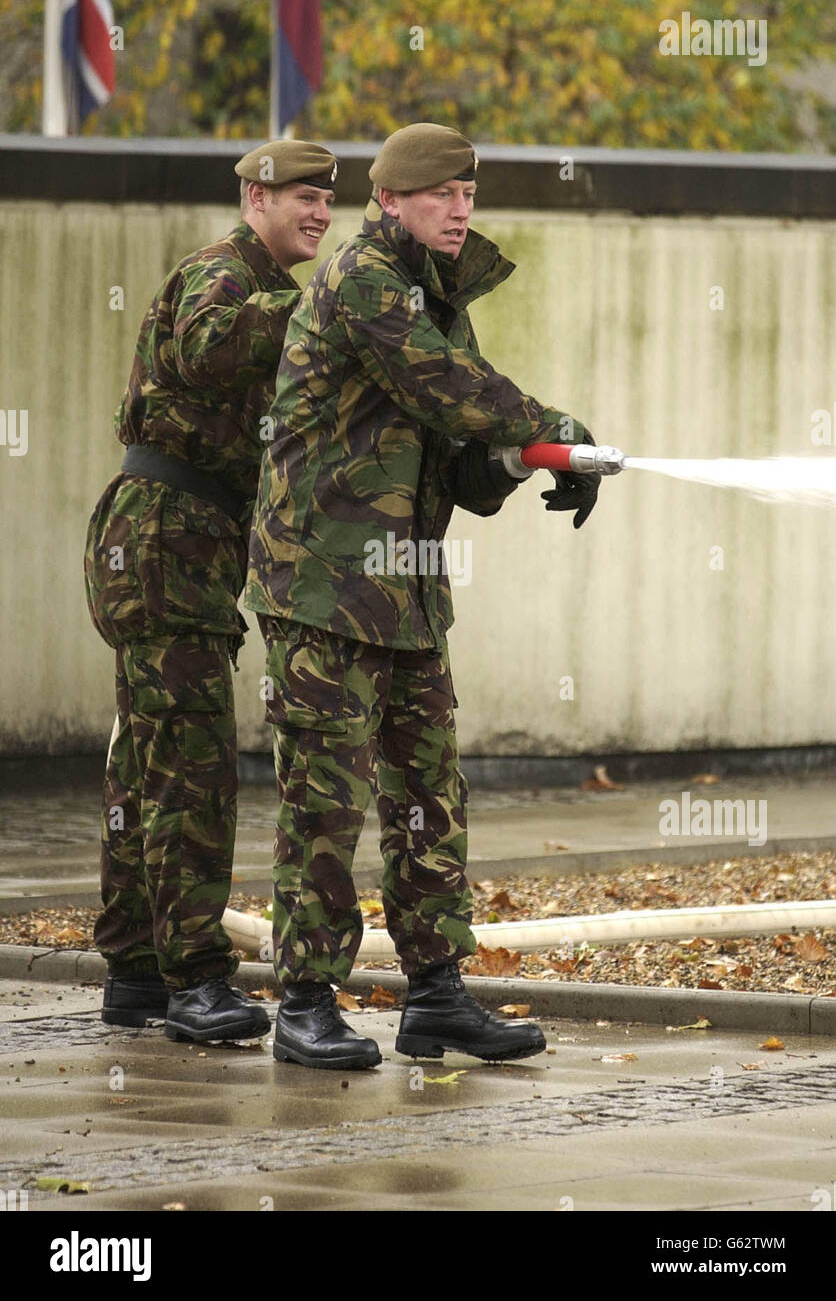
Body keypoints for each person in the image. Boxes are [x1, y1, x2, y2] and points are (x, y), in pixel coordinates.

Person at [245, 122, 600, 1070]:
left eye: (472, 195)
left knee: (428, 796)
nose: (461, 210)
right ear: (392, 199)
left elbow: (459, 452)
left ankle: (436, 997)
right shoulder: (360, 275)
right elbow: (445, 386)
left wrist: (532, 460)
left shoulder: (436, 296)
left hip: (403, 590)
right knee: (324, 798)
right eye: (444, 194)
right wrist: (553, 423)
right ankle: (306, 1003)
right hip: (319, 579)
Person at [84, 139, 338, 1043]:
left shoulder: (263, 285)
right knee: (191, 766)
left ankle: (135, 972)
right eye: (300, 196)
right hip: (165, 538)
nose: (316, 213)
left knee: (148, 759)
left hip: (173, 539)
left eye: (325, 200)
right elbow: (207, 346)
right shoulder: (224, 277)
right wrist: (317, 314)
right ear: (254, 197)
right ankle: (195, 981)